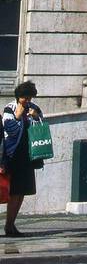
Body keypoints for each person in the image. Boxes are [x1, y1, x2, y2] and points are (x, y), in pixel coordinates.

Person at [2, 80, 44, 237]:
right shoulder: (10, 108)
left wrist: (36, 117)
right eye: (24, 97)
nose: (27, 101)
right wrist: (18, 117)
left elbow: (42, 128)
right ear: (18, 96)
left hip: (28, 155)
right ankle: (8, 225)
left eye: (30, 98)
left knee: (22, 192)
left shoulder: (34, 109)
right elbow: (9, 130)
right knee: (14, 192)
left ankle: (12, 224)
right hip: (14, 156)